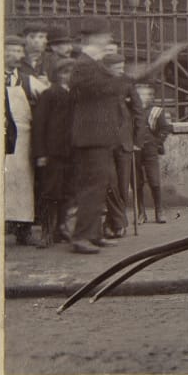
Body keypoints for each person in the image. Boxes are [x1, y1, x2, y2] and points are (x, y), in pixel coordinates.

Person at [67, 17, 124, 255]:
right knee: (93, 187)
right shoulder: (84, 64)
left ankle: (94, 234)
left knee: (99, 186)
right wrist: (126, 79)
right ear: (92, 38)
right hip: (91, 137)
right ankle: (81, 237)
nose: (108, 39)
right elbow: (101, 88)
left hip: (98, 136)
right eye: (104, 36)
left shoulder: (93, 63)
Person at [31, 57, 75, 247]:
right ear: (57, 75)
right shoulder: (48, 95)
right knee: (50, 192)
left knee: (67, 191)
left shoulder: (76, 95)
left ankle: (61, 229)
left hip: (71, 152)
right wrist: (40, 153)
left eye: (73, 72)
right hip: (52, 153)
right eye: (66, 72)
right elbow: (39, 126)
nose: (70, 76)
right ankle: (47, 232)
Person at [101, 50, 141, 237]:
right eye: (116, 68)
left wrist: (137, 140)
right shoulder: (99, 83)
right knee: (110, 184)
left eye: (121, 67)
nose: (119, 70)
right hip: (105, 142)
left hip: (125, 143)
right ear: (107, 68)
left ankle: (113, 224)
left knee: (123, 186)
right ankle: (119, 223)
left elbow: (138, 111)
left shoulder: (128, 82)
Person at [4, 35, 36, 245]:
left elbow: (49, 96)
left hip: (23, 140)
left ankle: (24, 230)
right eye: (12, 50)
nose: (17, 55)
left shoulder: (26, 79)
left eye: (19, 51)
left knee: (23, 184)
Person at [133, 79, 174, 224]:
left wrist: (157, 143)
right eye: (140, 94)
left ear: (151, 96)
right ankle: (141, 212)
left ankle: (159, 211)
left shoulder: (156, 111)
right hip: (134, 150)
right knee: (136, 182)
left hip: (150, 150)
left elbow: (166, 128)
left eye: (146, 94)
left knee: (154, 181)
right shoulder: (131, 111)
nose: (143, 97)